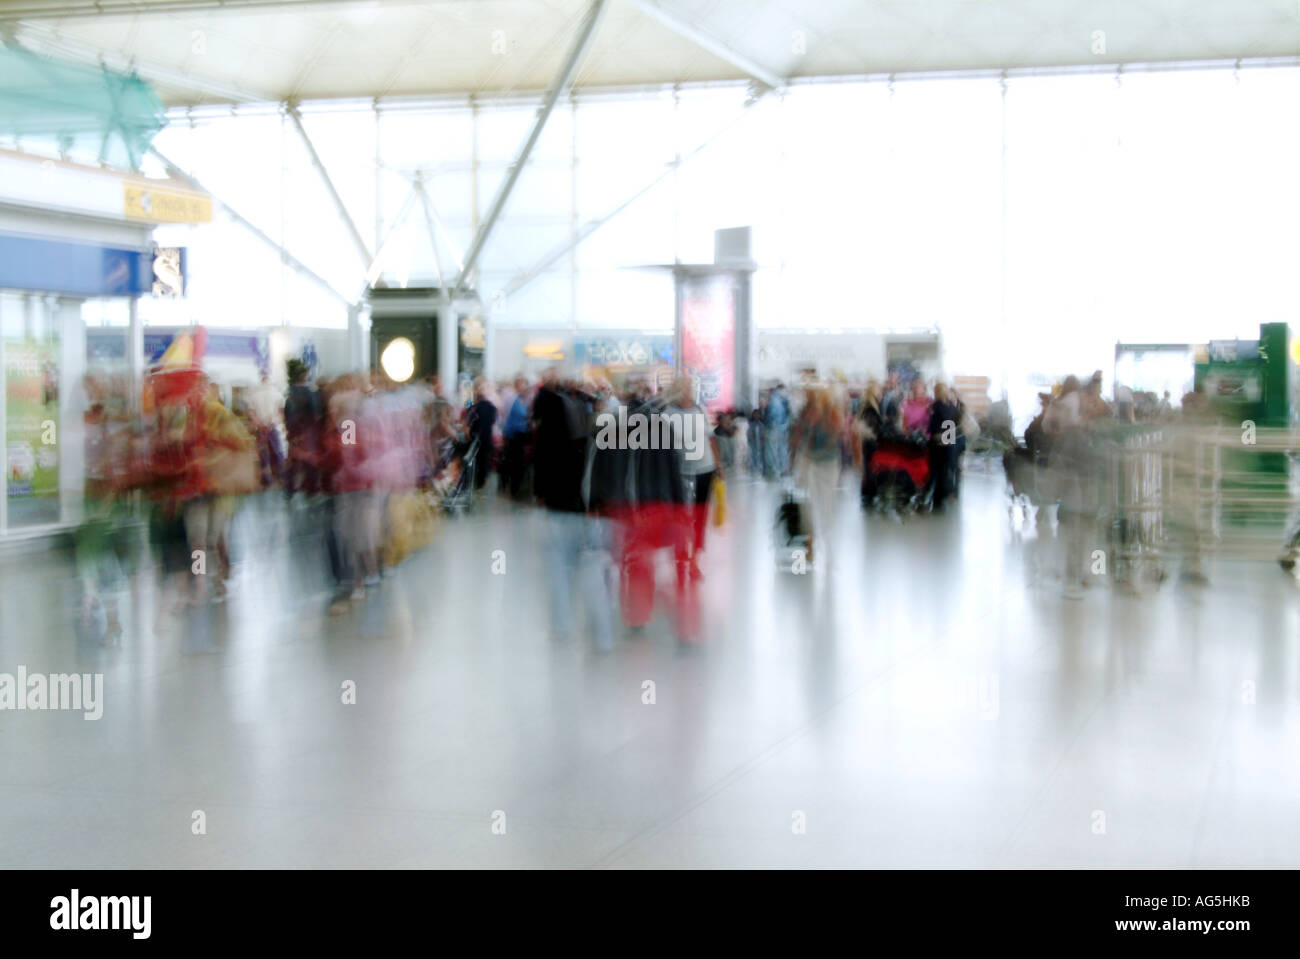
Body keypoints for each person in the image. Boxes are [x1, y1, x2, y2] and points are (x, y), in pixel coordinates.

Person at [669, 376, 722, 581]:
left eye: (690, 387)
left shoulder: (701, 410)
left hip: (704, 470)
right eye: (684, 387)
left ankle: (695, 560)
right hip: (681, 473)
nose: (688, 391)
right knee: (682, 518)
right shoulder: (668, 415)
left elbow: (711, 439)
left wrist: (719, 465)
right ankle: (681, 556)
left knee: (699, 517)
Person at [791, 385, 843, 564]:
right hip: (809, 462)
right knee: (807, 505)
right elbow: (797, 436)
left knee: (826, 504)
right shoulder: (805, 412)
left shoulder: (832, 413)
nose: (809, 397)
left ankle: (828, 543)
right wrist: (793, 459)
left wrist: (820, 422)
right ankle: (810, 546)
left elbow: (836, 436)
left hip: (827, 464)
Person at [929, 382, 962, 511]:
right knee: (946, 471)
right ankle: (945, 496)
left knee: (936, 471)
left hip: (938, 443)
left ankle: (937, 500)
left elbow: (932, 426)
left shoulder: (936, 406)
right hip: (949, 443)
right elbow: (953, 425)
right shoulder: (951, 407)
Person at [501, 374, 532, 499]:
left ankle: (516, 488)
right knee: (515, 462)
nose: (524, 387)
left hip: (520, 435)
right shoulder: (512, 398)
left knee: (518, 462)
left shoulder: (521, 399)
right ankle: (513, 489)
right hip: (513, 435)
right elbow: (506, 417)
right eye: (522, 384)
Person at [466, 377, 498, 492]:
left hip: (478, 436)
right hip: (485, 436)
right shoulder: (488, 406)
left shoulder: (476, 406)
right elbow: (493, 420)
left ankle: (478, 482)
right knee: (482, 460)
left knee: (479, 460)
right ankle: (480, 482)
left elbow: (469, 421)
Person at [764, 382, 791, 478]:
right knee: (781, 449)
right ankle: (781, 469)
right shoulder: (783, 400)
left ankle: (773, 470)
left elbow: (771, 416)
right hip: (782, 428)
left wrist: (768, 428)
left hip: (774, 428)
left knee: (772, 450)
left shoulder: (774, 400)